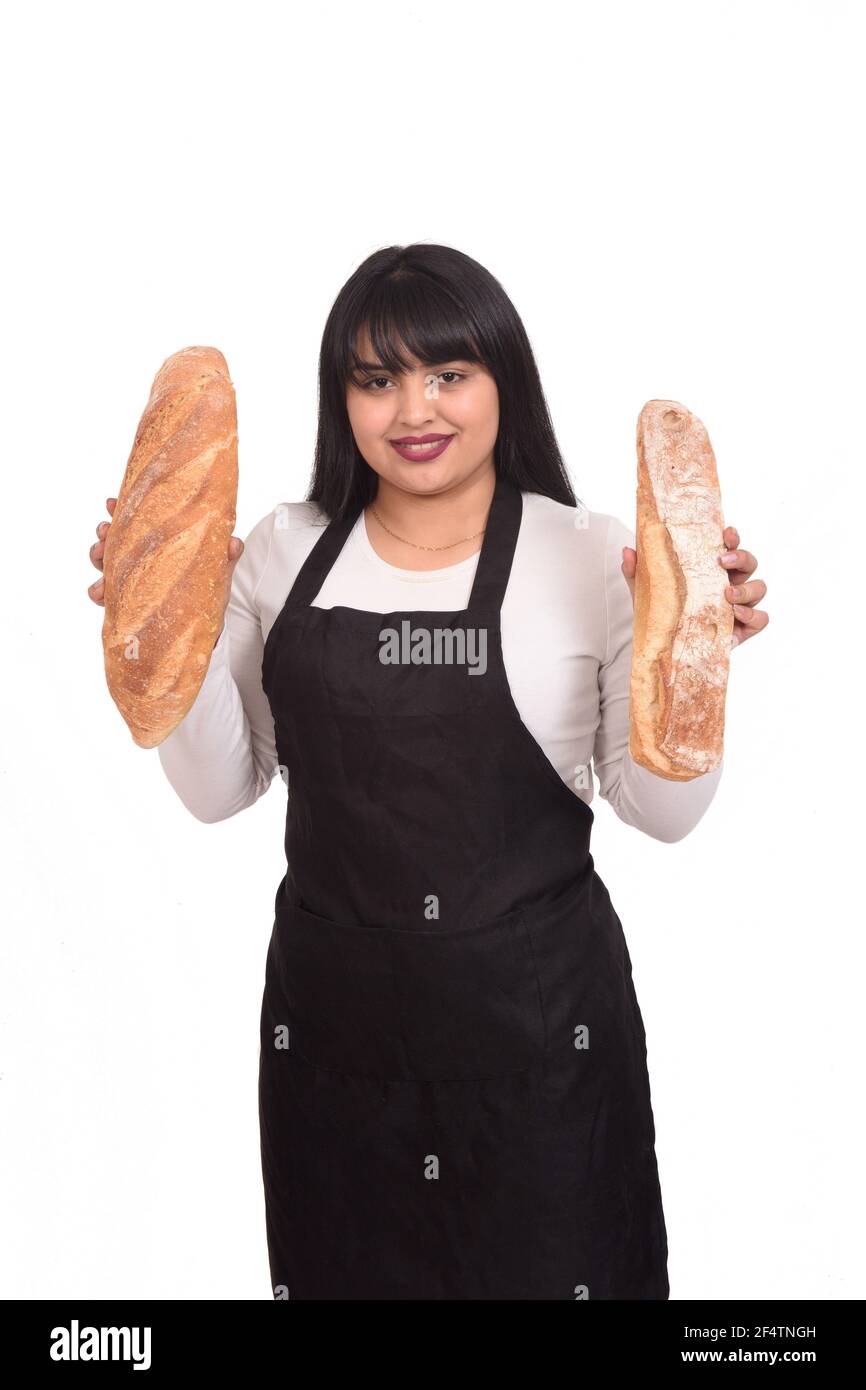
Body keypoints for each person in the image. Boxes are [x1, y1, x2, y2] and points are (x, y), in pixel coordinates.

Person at [88, 244, 769, 1300]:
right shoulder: (279, 549)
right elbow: (221, 788)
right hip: (334, 1056)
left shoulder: (592, 555)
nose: (414, 407)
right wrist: (160, 627)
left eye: (449, 373)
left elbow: (662, 814)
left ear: (505, 379)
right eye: (375, 378)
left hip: (542, 1061)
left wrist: (686, 651)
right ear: (341, 398)